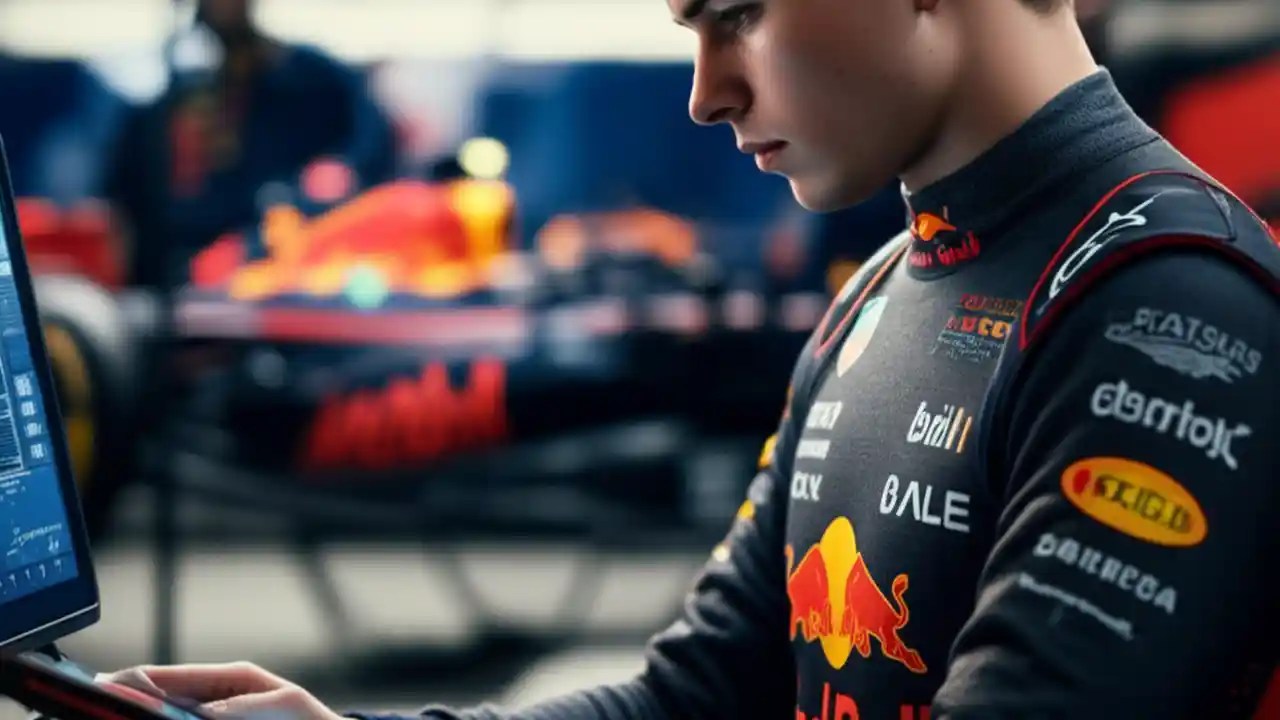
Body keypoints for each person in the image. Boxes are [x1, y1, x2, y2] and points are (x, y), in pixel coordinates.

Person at [101, 0, 1280, 717]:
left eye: (737, 13)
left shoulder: (1173, 310)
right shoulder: (871, 299)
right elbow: (696, 700)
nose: (706, 96)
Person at [105, 0, 398, 290]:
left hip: (287, 265)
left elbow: (371, 139)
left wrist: (344, 167)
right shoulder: (173, 101)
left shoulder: (311, 79)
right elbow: (132, 201)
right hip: (190, 272)